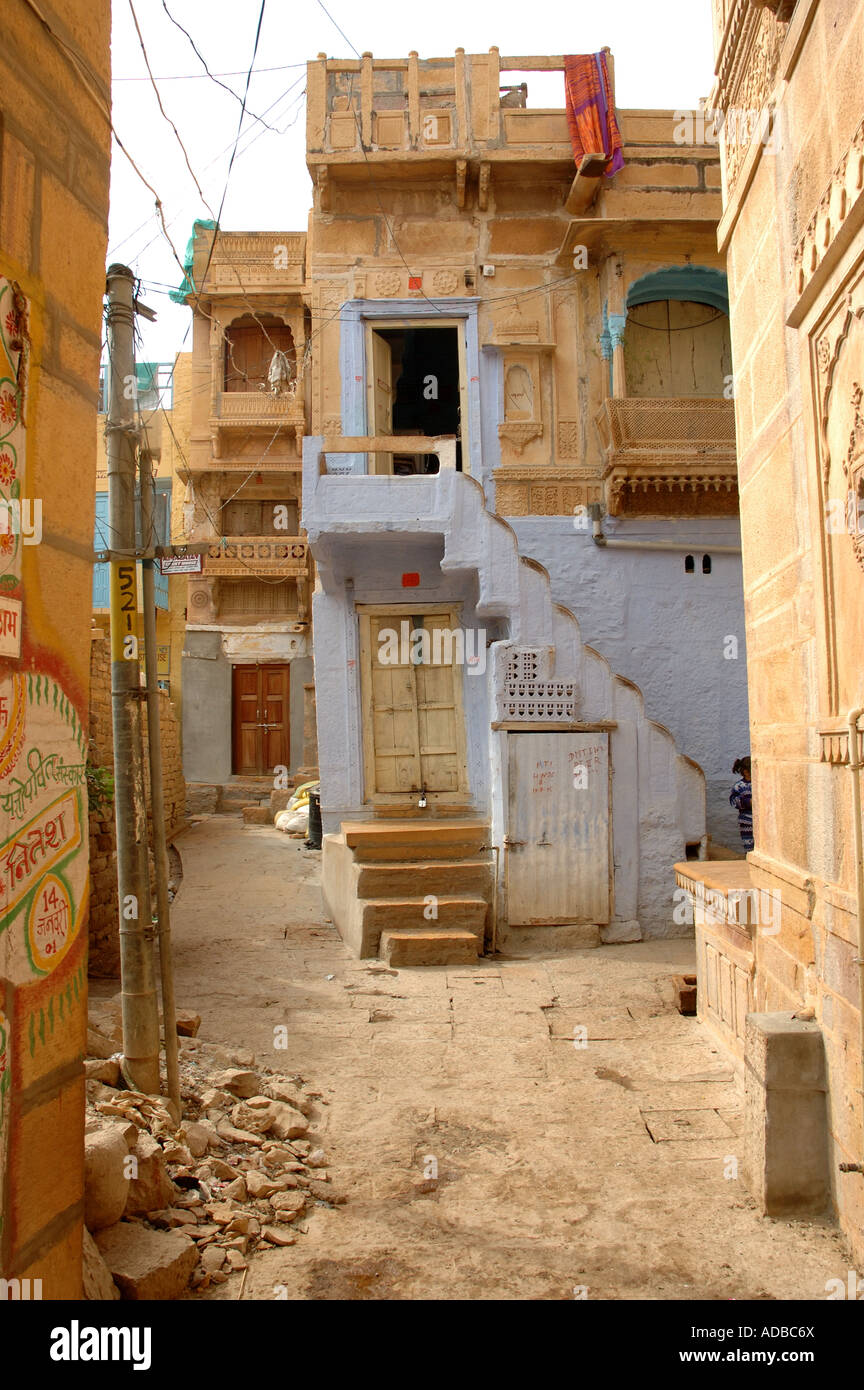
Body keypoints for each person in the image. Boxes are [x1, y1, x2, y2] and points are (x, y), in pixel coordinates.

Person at [730, 756, 753, 851]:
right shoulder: (739, 786)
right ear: (745, 771)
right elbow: (733, 801)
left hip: (761, 822)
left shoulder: (760, 782)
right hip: (746, 823)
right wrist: (748, 802)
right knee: (749, 846)